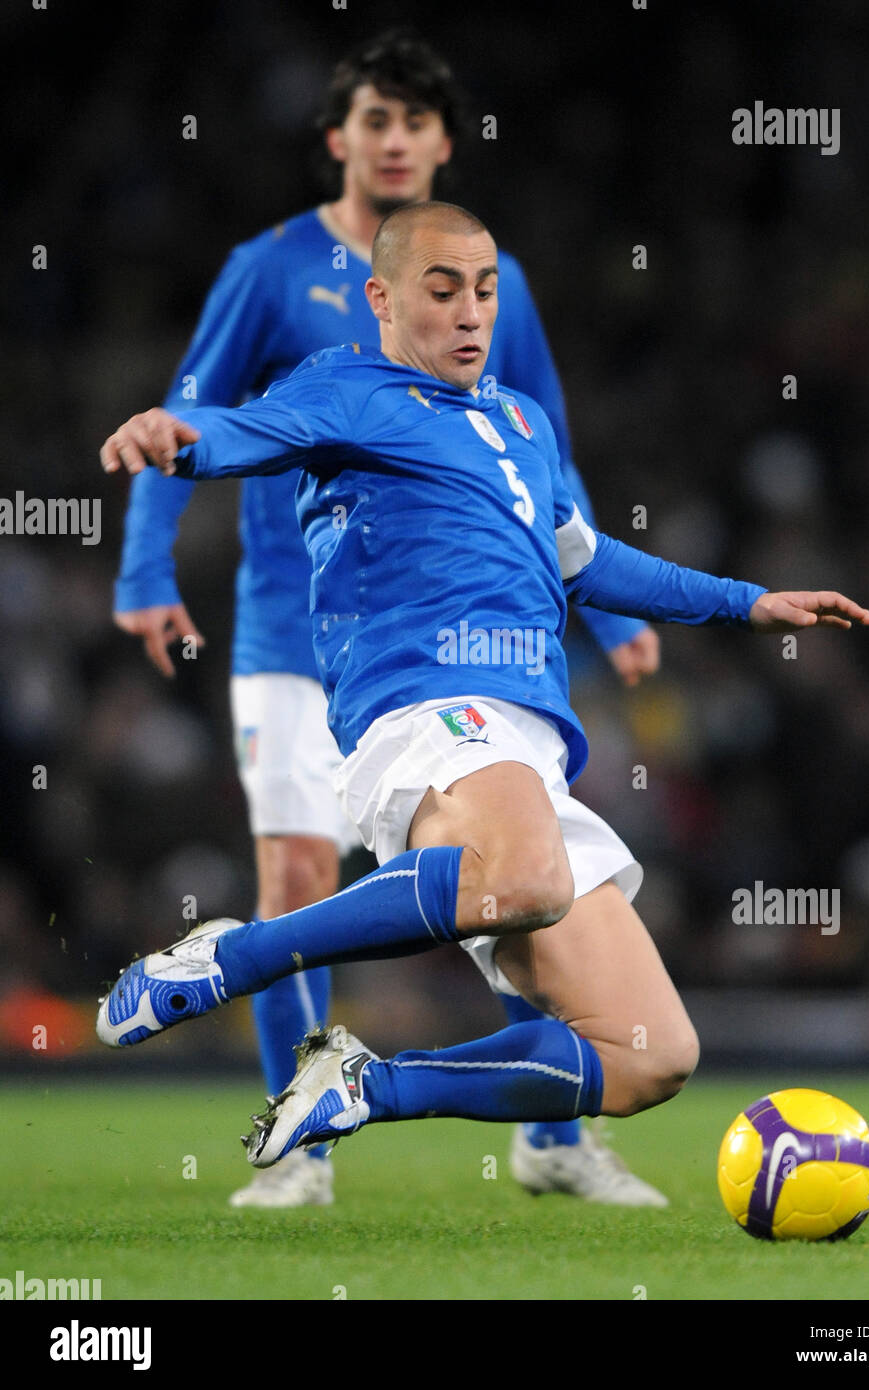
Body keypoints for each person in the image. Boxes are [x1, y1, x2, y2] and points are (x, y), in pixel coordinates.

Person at [98, 202, 869, 1171]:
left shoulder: (517, 419)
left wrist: (748, 602)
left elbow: (585, 560)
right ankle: (232, 956)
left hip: (528, 749)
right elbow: (248, 431)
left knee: (649, 1053)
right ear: (381, 297)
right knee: (529, 878)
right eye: (442, 289)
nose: (470, 312)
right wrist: (182, 437)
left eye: (485, 289)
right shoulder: (349, 388)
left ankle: (365, 1085)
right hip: (424, 707)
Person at [113, 29, 660, 1210]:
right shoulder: (269, 268)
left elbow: (543, 470)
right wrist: (144, 570)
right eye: (375, 120)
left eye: (417, 122)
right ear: (338, 141)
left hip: (450, 639)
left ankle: (548, 1131)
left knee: (512, 867)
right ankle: (299, 1151)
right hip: (288, 630)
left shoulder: (464, 276)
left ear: (446, 144)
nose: (396, 139)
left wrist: (608, 614)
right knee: (301, 866)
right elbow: (193, 414)